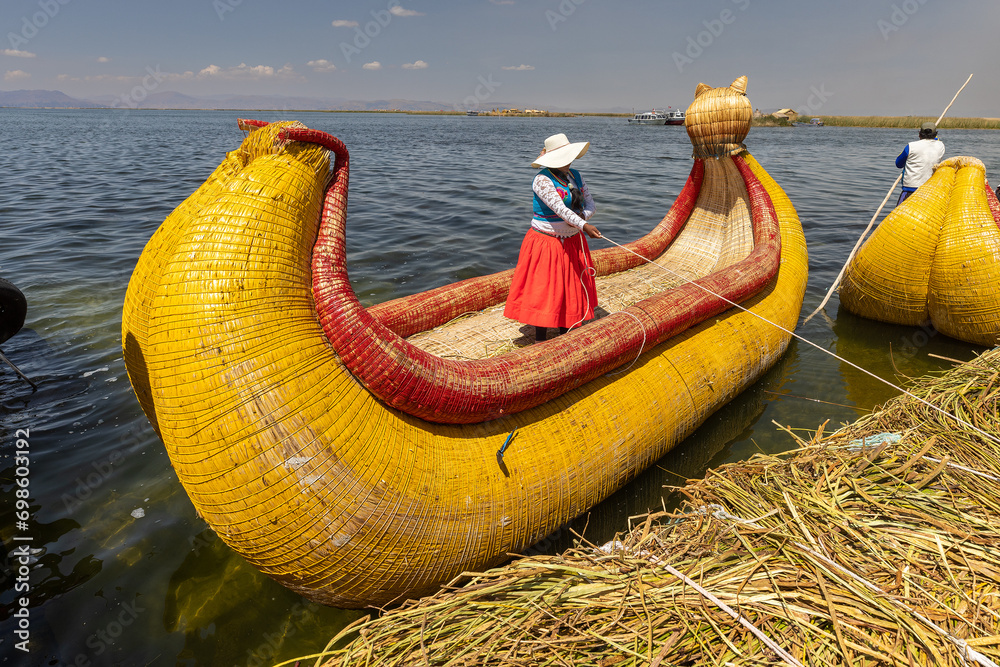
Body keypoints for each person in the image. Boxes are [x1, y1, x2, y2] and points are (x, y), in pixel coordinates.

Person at [504, 133, 601, 343]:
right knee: (545, 288)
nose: (568, 161)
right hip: (547, 242)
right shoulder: (542, 180)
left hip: (573, 240)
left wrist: (583, 218)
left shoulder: (576, 176)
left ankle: (564, 334)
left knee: (570, 286)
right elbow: (559, 209)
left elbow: (591, 204)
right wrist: (583, 225)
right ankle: (540, 339)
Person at [895, 121, 945, 205]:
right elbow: (937, 141)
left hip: (910, 189)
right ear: (935, 134)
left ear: (919, 134)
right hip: (929, 190)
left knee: (900, 212)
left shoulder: (911, 146)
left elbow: (898, 164)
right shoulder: (941, 146)